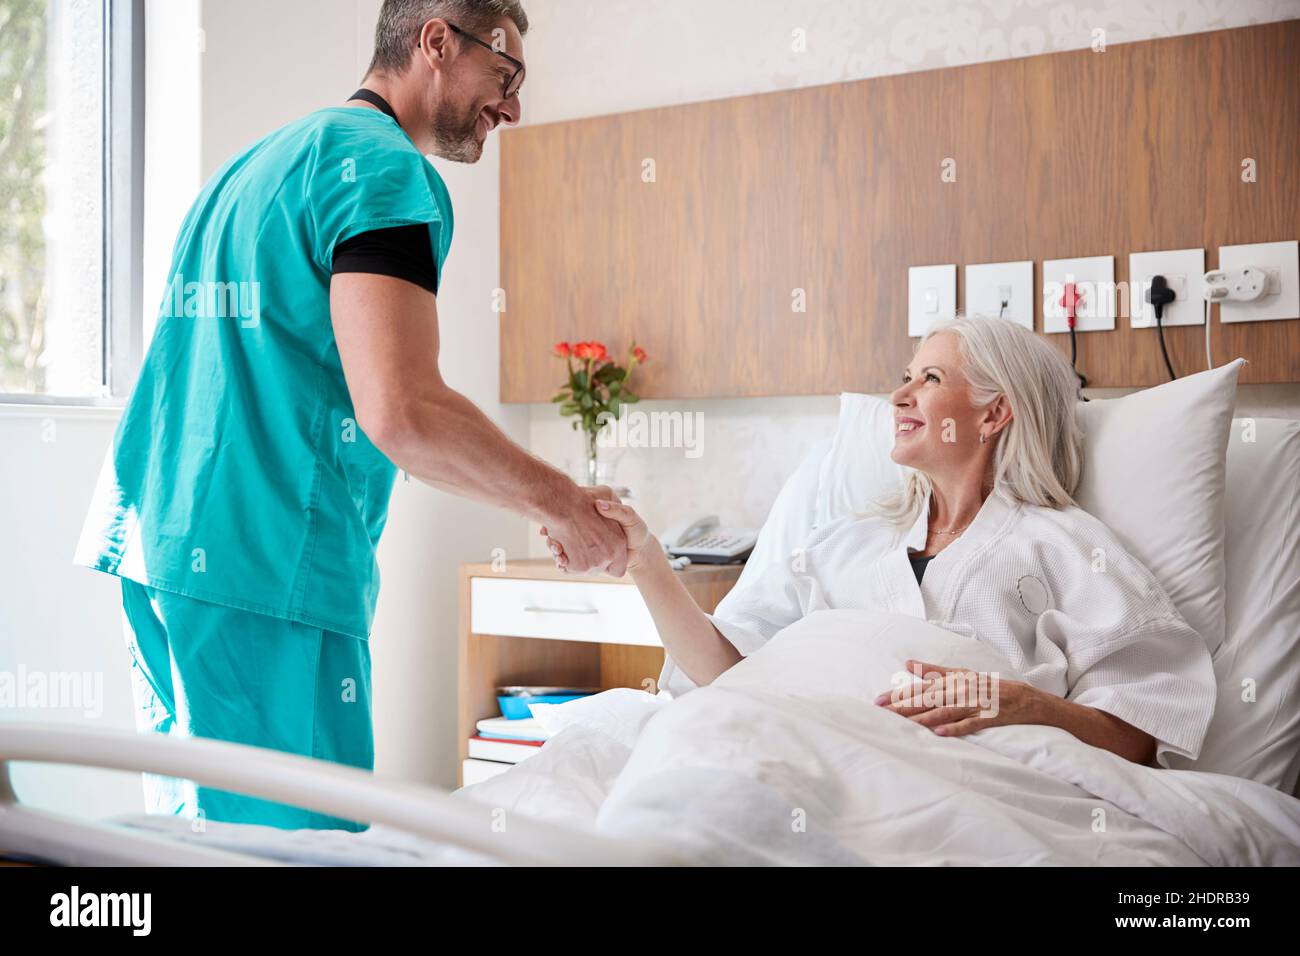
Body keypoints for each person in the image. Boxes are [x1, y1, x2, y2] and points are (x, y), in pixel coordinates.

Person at [74, 0, 624, 830]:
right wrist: (562, 504)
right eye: (504, 74)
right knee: (296, 850)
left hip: (157, 555)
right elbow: (404, 410)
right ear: (437, 40)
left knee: (199, 842)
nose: (512, 106)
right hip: (261, 573)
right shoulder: (385, 172)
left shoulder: (253, 168)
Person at [546, 316, 1217, 768]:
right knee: (598, 752)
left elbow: (1136, 735)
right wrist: (648, 562)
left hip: (964, 782)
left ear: (994, 411)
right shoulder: (845, 542)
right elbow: (727, 673)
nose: (898, 395)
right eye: (905, 375)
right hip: (802, 755)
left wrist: (1019, 702)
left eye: (929, 378)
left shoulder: (1066, 548)